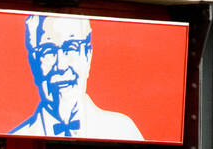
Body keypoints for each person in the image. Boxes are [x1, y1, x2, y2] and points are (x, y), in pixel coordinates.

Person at [11, 15, 142, 140]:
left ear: (87, 57)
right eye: (48, 51)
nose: (61, 66)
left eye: (71, 47)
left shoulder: (123, 130)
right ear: (33, 64)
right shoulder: (17, 136)